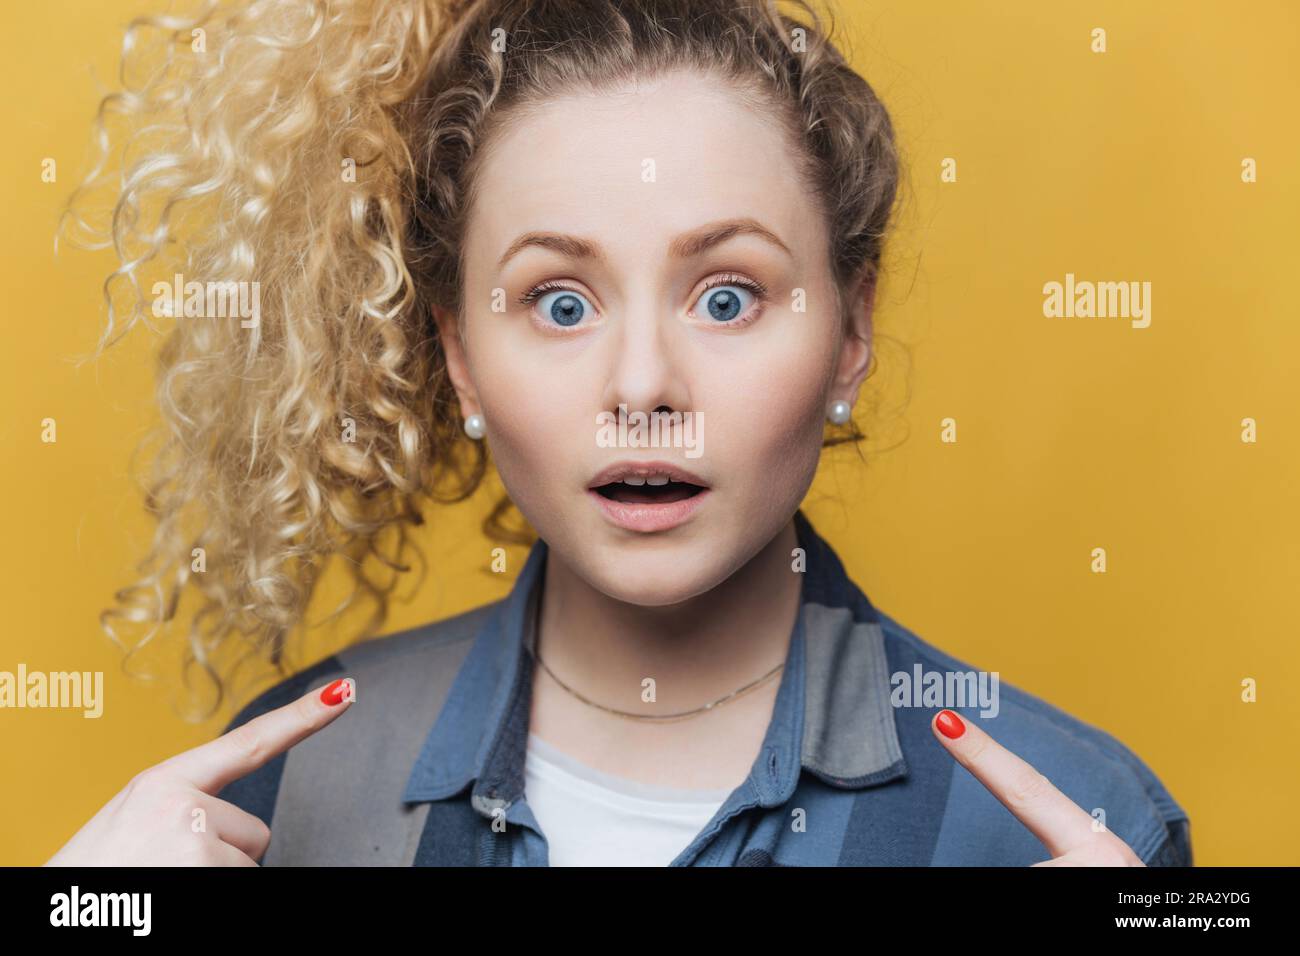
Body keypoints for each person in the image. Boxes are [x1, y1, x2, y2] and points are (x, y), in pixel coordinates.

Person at [48, 0, 1191, 866]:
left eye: (728, 295)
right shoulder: (285, 792)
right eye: (559, 302)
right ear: (457, 356)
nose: (642, 385)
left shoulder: (1076, 823)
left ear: (852, 328)